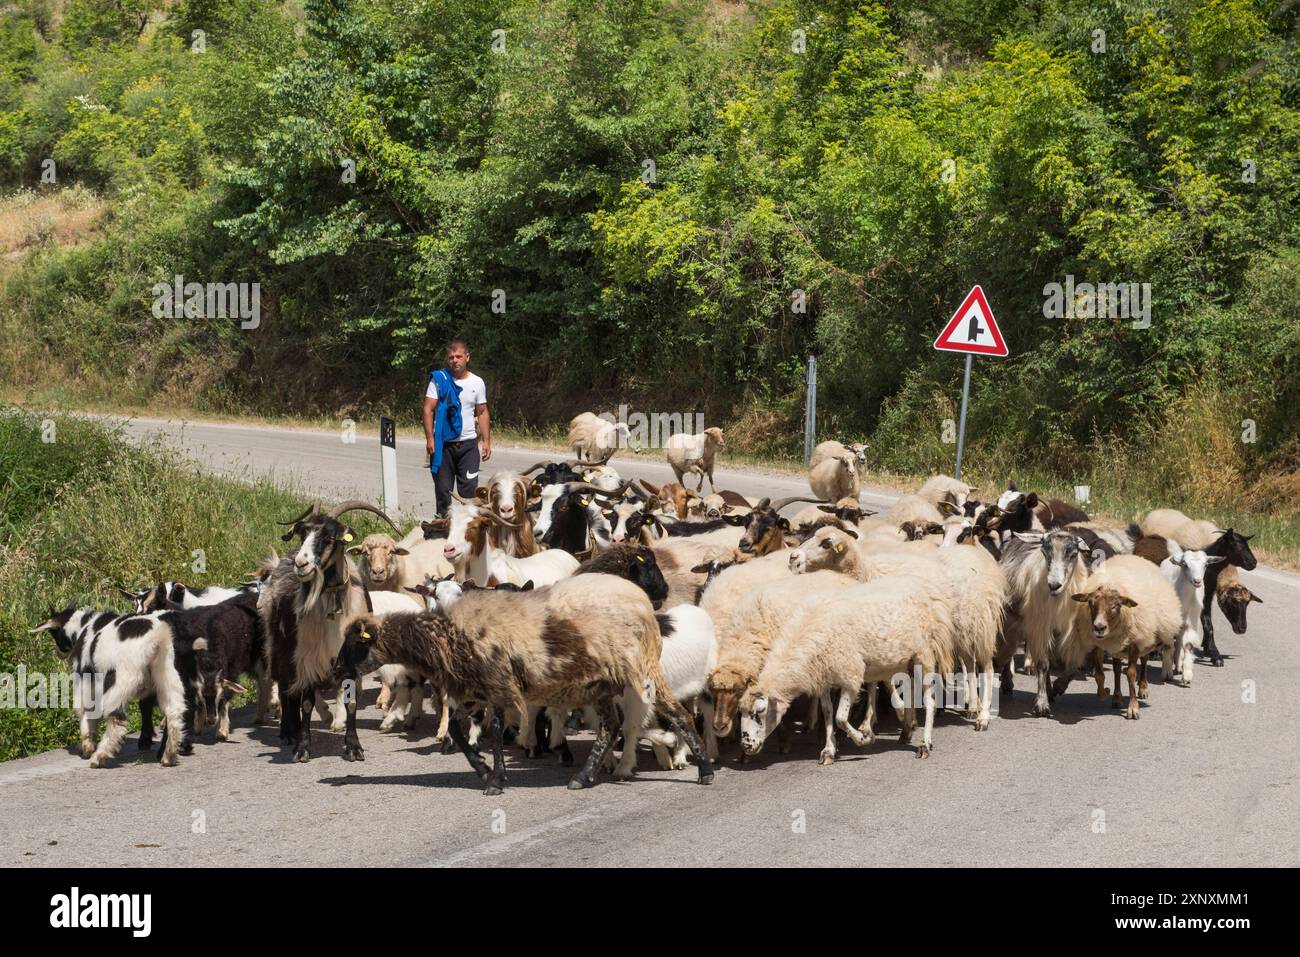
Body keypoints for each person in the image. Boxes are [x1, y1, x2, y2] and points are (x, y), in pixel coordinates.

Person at [424, 339, 491, 517]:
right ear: (448, 360)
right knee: (443, 493)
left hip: (468, 445)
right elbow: (428, 409)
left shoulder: (477, 382)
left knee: (469, 494)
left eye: (459, 356)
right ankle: (442, 532)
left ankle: (469, 532)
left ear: (467, 357)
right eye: (451, 357)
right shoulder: (439, 380)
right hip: (443, 446)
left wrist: (486, 441)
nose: (455, 360)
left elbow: (482, 412)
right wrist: (430, 439)